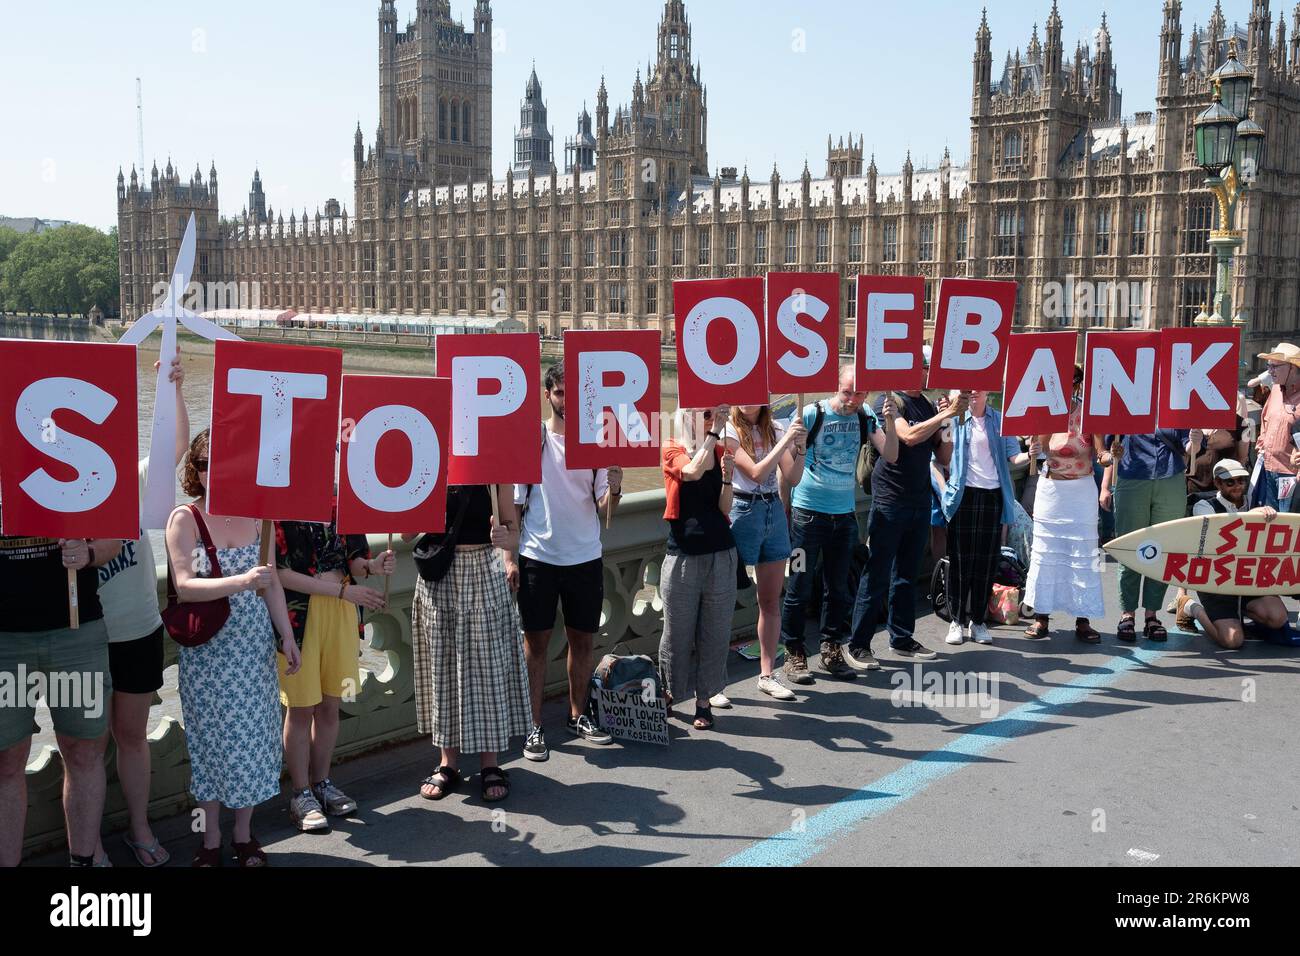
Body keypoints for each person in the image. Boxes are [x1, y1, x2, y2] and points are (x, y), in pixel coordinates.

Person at [165, 430, 302, 867]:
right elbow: (185, 587)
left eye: (218, 463)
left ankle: (244, 837)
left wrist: (286, 635)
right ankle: (209, 843)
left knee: (253, 743)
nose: (210, 472)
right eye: (202, 465)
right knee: (210, 748)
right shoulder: (184, 518)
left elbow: (273, 582)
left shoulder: (256, 516)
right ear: (194, 471)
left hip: (252, 651)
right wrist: (243, 581)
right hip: (208, 655)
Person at [93, 353, 189, 867]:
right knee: (81, 750)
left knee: (131, 737)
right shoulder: (61, 502)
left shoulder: (134, 477)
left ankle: (139, 827)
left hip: (138, 632)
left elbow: (175, 446)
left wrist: (172, 387)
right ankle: (85, 846)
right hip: (84, 639)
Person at [0, 510, 121, 868]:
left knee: (83, 751)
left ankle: (83, 863)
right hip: (5, 643)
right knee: (6, 761)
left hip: (75, 634)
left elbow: (113, 539)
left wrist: (89, 553)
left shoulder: (79, 455)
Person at [514, 365, 620, 762]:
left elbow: (604, 506)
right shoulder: (534, 440)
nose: (566, 400)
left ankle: (579, 715)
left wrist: (618, 485)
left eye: (572, 393)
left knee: (583, 641)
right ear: (548, 395)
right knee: (535, 646)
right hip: (538, 556)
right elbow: (518, 502)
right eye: (559, 393)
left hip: (585, 556)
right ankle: (533, 725)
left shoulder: (594, 443)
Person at [406, 484, 530, 803]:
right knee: (442, 667)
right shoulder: (429, 462)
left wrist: (506, 542)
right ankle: (448, 763)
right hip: (440, 575)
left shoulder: (493, 471)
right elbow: (406, 534)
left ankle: (490, 764)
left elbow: (513, 530)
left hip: (484, 570)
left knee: (488, 669)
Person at [274, 511, 394, 831]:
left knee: (330, 705)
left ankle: (322, 784)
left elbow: (355, 559)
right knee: (301, 708)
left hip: (341, 612)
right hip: (300, 614)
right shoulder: (285, 503)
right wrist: (342, 592)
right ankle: (300, 794)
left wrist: (372, 565)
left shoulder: (344, 500)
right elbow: (279, 573)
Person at [781, 366, 901, 684]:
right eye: (847, 391)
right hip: (806, 517)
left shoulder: (864, 415)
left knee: (838, 589)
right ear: (837, 386)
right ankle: (793, 653)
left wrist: (889, 419)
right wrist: (786, 511)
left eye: (859, 393)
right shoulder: (811, 414)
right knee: (798, 586)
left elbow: (891, 455)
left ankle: (831, 649)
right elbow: (785, 468)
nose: (852, 399)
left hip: (844, 518)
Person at [848, 380, 961, 668]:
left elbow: (944, 457)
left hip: (919, 499)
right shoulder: (888, 401)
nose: (924, 374)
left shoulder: (927, 404)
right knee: (877, 574)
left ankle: (901, 637)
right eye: (920, 367)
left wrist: (947, 421)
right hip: (889, 499)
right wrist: (939, 417)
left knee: (906, 575)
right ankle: (858, 644)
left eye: (927, 369)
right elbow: (908, 436)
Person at [660, 406, 739, 729]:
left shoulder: (720, 450)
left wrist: (728, 478)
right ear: (684, 417)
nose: (709, 420)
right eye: (702, 414)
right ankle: (667, 694)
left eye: (712, 415)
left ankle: (704, 700)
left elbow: (724, 507)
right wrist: (712, 435)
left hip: (721, 551)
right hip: (682, 554)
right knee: (675, 634)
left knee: (715, 633)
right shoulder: (671, 448)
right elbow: (691, 471)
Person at [724, 404, 806, 699]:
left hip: (773, 508)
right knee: (719, 601)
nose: (747, 401)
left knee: (770, 599)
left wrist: (801, 449)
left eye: (755, 394)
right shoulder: (729, 429)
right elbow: (757, 473)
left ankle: (767, 674)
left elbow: (793, 477)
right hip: (742, 510)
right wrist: (785, 441)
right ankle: (713, 684)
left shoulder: (776, 429)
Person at [1022, 395, 1115, 643]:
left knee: (1083, 554)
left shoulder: (1089, 413)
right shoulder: (1046, 410)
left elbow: (1101, 454)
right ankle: (1041, 616)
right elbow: (1040, 447)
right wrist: (1034, 446)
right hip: (1051, 490)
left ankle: (1083, 620)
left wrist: (1112, 456)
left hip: (1081, 491)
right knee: (1046, 553)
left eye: (1074, 381)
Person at [940, 390, 1029, 646]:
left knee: (985, 562)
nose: (973, 394)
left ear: (988, 393)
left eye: (978, 390)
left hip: (992, 496)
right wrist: (947, 415)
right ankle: (956, 620)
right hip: (962, 496)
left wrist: (1031, 452)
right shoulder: (953, 418)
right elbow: (940, 458)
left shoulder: (1000, 420)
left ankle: (977, 620)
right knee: (959, 562)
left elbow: (1015, 456)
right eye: (968, 390)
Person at [1102, 427, 1202, 643]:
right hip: (1132, 476)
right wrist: (1106, 478)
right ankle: (1127, 613)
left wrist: (1194, 443)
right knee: (1131, 547)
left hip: (1170, 477)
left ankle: (1152, 614)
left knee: (1162, 550)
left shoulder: (1173, 400)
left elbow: (1186, 443)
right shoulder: (1126, 401)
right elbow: (1109, 446)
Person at [1176, 460, 1290, 649]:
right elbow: (1215, 537)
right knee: (1232, 640)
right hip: (1217, 580)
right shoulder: (1204, 506)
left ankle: (1243, 616)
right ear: (1218, 483)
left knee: (1278, 618)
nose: (1237, 486)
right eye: (1230, 482)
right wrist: (1251, 516)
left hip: (1248, 577)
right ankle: (1189, 606)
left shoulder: (1256, 500)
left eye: (1241, 480)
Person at [1251, 344, 1300, 511]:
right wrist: (1261, 445)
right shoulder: (1277, 390)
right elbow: (1266, 420)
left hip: (1292, 475)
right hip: (1268, 469)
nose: (1270, 371)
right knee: (1270, 526)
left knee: (1289, 528)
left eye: (1274, 366)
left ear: (1292, 368)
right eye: (1268, 366)